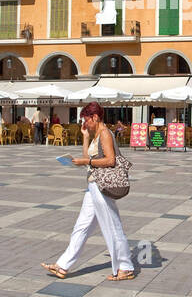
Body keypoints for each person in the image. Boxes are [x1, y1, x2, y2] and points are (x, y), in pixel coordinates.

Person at [42, 102, 135, 282]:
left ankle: (126, 267)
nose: (85, 124)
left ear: (95, 117)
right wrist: (85, 137)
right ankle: (63, 265)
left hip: (102, 186)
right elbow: (87, 156)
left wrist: (87, 163)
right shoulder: (95, 135)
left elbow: (110, 160)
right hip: (92, 186)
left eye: (86, 120)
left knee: (112, 226)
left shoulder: (105, 134)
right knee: (81, 226)